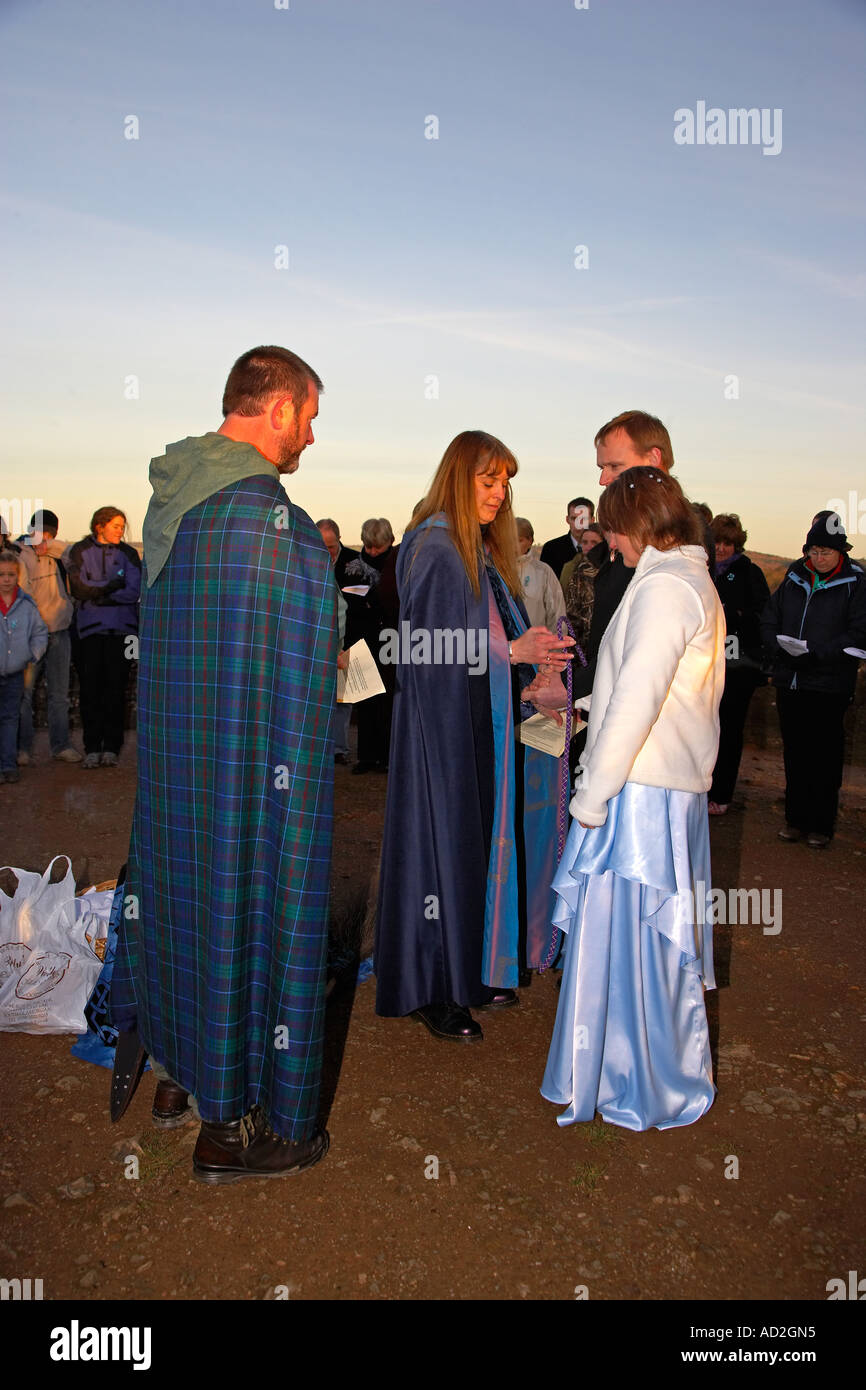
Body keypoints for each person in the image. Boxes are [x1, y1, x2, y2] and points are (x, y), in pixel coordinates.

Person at [110, 344, 337, 1182]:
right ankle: (237, 1123)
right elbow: (303, 686)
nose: (311, 438)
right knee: (246, 905)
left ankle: (178, 1077)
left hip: (177, 767)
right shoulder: (271, 525)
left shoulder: (175, 502)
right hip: (250, 774)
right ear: (276, 409)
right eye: (309, 418)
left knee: (175, 896)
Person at [535, 467, 725, 1131]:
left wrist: (590, 799)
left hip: (643, 795)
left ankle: (642, 1079)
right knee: (623, 941)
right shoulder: (676, 578)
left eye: (612, 530)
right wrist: (581, 702)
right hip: (651, 784)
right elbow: (644, 689)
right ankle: (619, 1067)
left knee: (638, 943)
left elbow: (642, 701)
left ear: (637, 523)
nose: (609, 545)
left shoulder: (668, 588)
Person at [375, 431, 574, 1042]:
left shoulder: (472, 549)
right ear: (460, 478)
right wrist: (511, 650)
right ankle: (433, 988)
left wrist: (528, 664)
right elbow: (421, 651)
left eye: (505, 482)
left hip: (476, 725)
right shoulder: (437, 546)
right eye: (488, 481)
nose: (499, 492)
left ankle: (471, 970)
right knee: (442, 854)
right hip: (442, 735)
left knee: (474, 852)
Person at [760, 512, 866, 849]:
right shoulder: (794, 576)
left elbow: (858, 633)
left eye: (826, 553)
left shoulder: (857, 584)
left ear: (841, 552)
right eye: (813, 552)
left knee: (825, 756)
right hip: (790, 680)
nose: (818, 559)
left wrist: (816, 653)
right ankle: (795, 820)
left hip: (829, 684)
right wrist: (777, 646)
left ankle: (821, 824)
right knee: (795, 754)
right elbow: (769, 617)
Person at [572, 410, 676, 703]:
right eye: (601, 467)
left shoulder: (676, 538)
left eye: (615, 466)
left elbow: (642, 654)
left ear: (654, 460)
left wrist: (573, 690)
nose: (604, 479)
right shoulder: (623, 536)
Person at [67, 508, 141, 768]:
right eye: (115, 525)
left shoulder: (129, 554)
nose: (120, 530)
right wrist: (111, 586)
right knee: (90, 690)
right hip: (89, 631)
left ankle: (111, 746)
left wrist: (99, 595)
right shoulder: (78, 551)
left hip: (122, 632)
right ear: (100, 526)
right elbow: (78, 588)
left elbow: (133, 590)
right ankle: (91, 747)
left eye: (122, 526)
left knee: (116, 690)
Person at [707, 513, 770, 815]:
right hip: (705, 665)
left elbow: (762, 614)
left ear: (737, 544)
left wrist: (733, 614)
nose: (721, 548)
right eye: (717, 541)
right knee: (706, 728)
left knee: (730, 731)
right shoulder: (701, 570)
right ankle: (702, 789)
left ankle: (721, 793)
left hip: (738, 666)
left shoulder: (750, 572)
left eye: (728, 543)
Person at [16, 510, 81, 764]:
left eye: (50, 534)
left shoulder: (57, 554)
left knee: (59, 694)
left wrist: (50, 545)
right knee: (24, 694)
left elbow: (74, 554)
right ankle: (21, 749)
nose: (44, 538)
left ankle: (60, 745)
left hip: (60, 631)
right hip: (30, 634)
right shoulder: (20, 553)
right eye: (40, 532)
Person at [316, 518, 367, 766]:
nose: (327, 552)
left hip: (350, 640)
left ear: (338, 540)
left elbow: (364, 598)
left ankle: (339, 749)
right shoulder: (310, 560)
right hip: (321, 643)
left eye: (331, 547)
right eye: (322, 546)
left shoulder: (354, 562)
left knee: (346, 701)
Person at [352, 517, 399, 774]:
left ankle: (386, 757)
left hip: (390, 639)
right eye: (368, 547)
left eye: (377, 548)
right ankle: (366, 756)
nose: (372, 552)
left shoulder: (399, 562)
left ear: (389, 542)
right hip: (361, 637)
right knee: (364, 698)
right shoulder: (352, 565)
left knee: (387, 700)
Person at [0, 552, 48, 784]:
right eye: (1, 575)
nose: (6, 579)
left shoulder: (26, 604)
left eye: (11, 574)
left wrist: (31, 655)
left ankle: (8, 765)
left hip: (15, 672)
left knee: (11, 719)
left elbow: (39, 632)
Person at [515, 518, 566, 632]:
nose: (513, 545)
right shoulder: (494, 570)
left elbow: (557, 613)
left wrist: (556, 646)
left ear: (530, 541)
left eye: (519, 540)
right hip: (504, 647)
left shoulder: (543, 571)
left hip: (537, 645)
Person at [540, 497, 595, 580]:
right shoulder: (551, 549)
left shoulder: (604, 549)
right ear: (567, 519)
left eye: (583, 519)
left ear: (592, 520)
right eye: (574, 518)